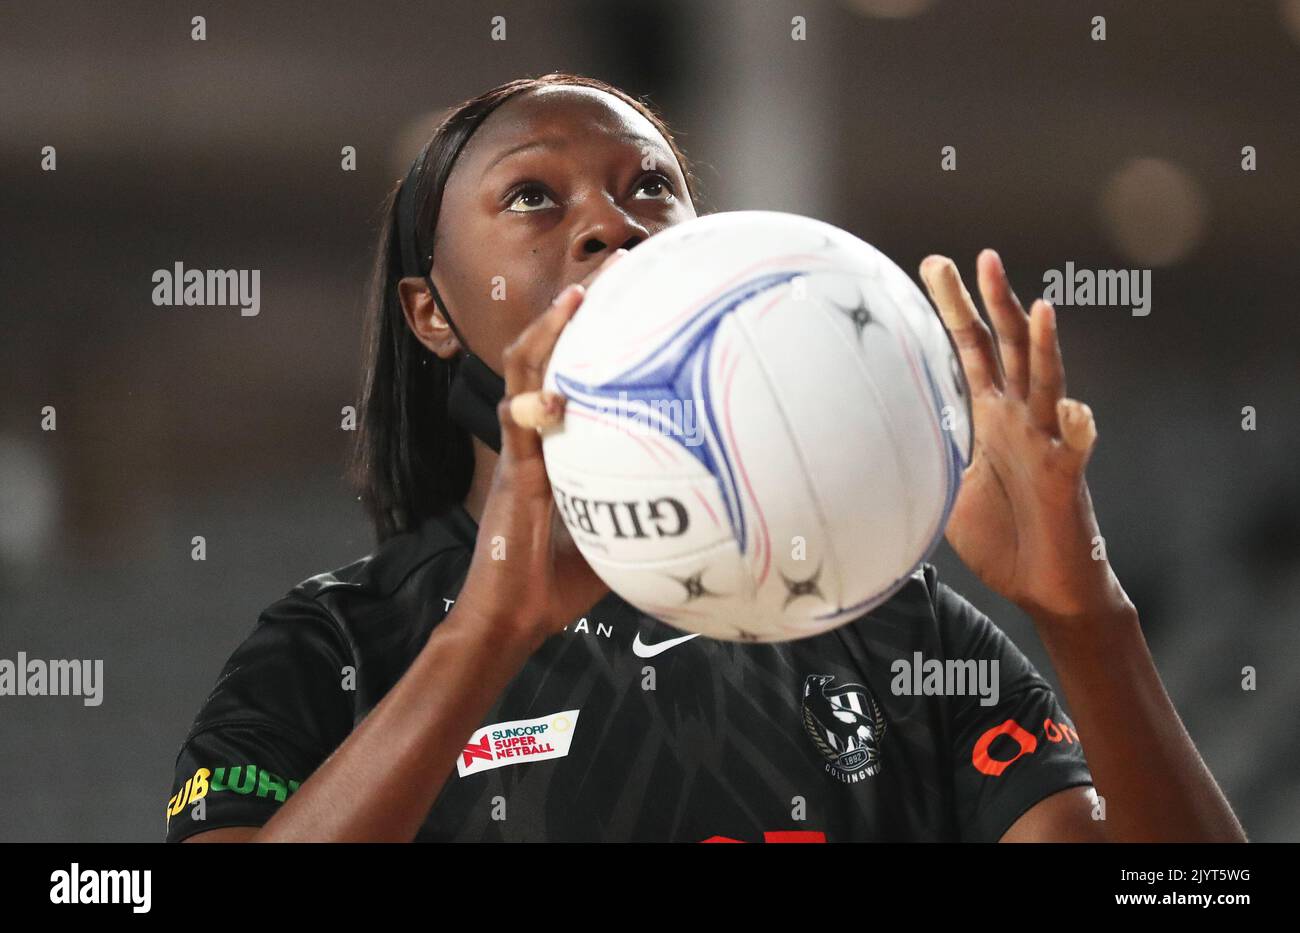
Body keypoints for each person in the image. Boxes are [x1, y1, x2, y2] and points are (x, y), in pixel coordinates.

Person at [164, 73, 1245, 843]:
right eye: (533, 196)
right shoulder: (333, 642)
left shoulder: (894, 628)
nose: (611, 224)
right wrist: (484, 636)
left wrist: (1083, 616)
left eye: (648, 188)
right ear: (431, 311)